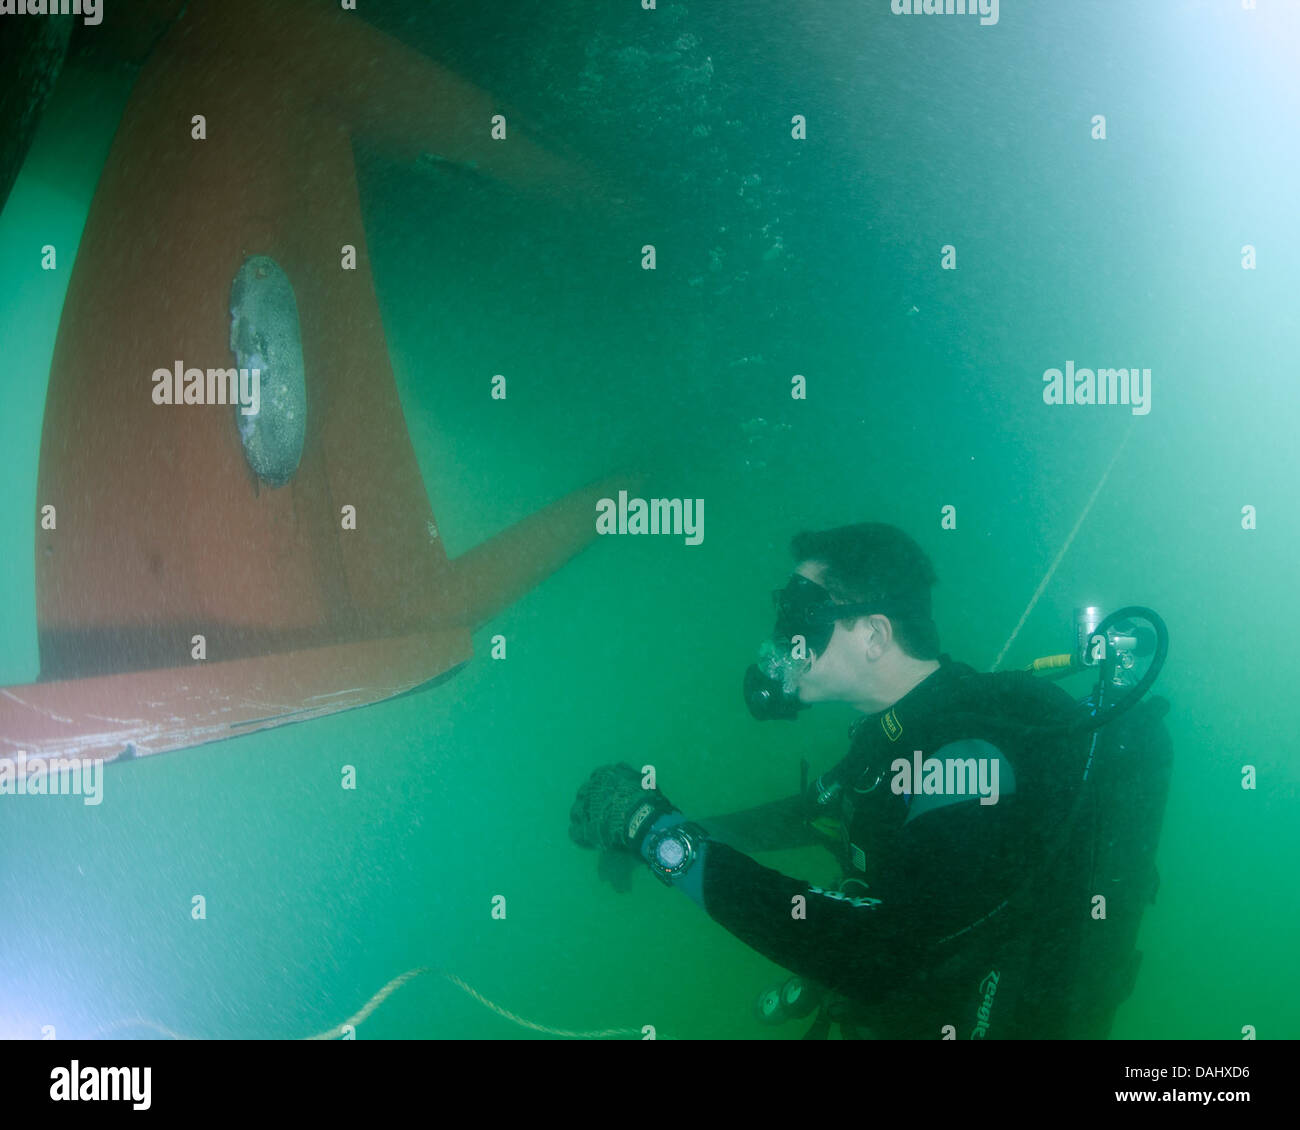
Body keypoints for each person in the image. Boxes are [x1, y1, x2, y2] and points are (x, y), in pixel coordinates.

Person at [569, 522, 1097, 1039]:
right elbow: (806, 814)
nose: (784, 639)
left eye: (803, 615)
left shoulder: (967, 749)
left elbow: (879, 953)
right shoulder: (887, 737)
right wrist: (655, 836)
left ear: (874, 635)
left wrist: (658, 837)